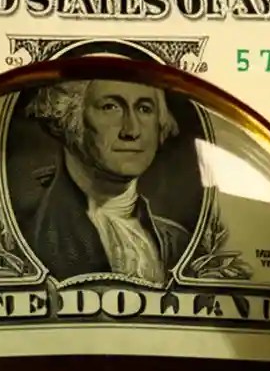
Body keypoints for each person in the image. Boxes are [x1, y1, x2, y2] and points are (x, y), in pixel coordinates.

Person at [21, 78, 191, 289]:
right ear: (68, 117)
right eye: (110, 107)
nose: (131, 131)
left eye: (144, 109)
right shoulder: (27, 236)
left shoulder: (178, 242)